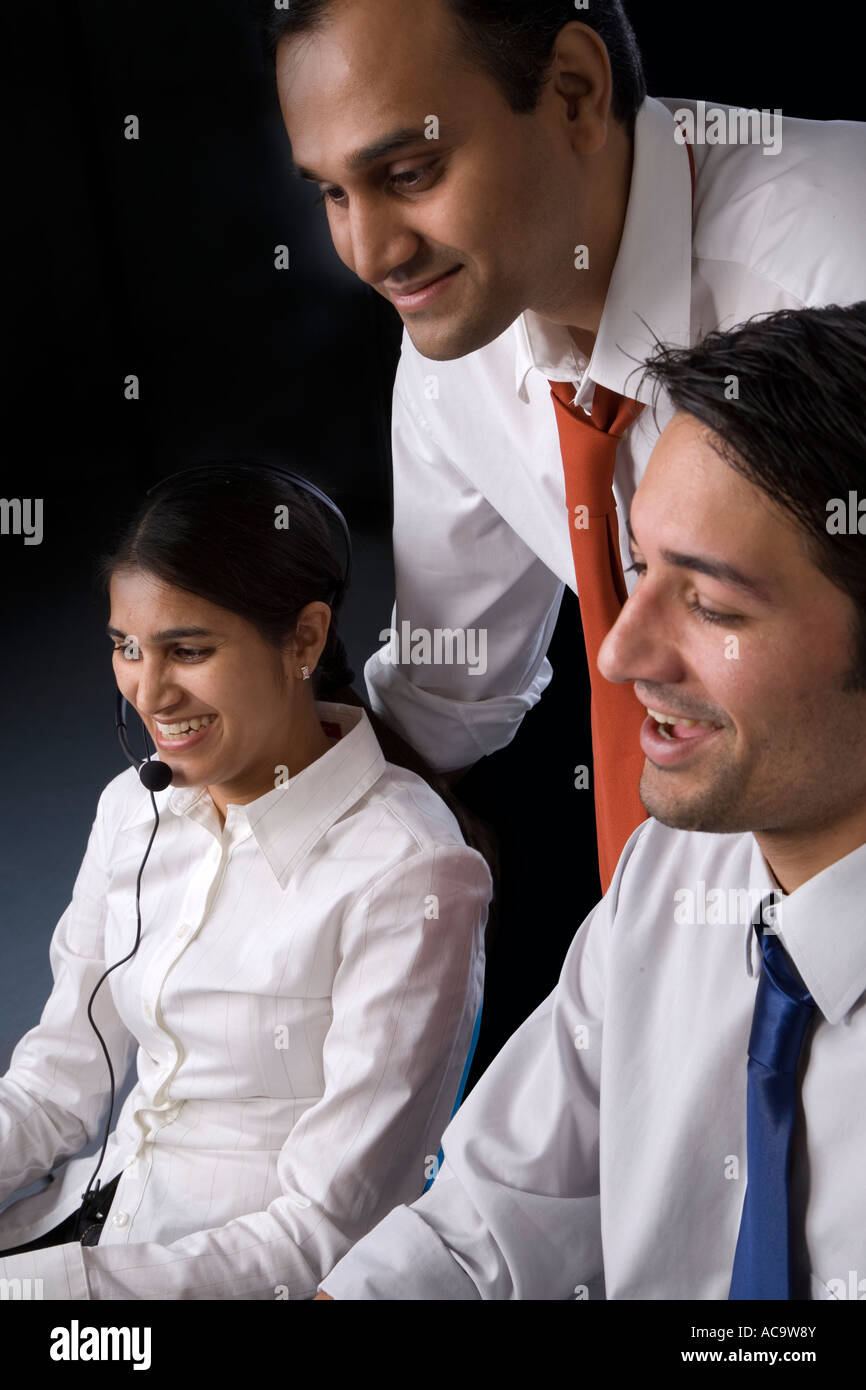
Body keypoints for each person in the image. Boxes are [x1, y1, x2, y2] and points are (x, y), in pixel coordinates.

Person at [313, 301, 866, 1299]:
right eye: (639, 566)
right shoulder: (674, 869)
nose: (615, 653)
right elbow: (482, 1230)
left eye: (710, 605)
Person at [263, 0, 866, 900]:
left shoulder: (839, 275)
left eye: (411, 171)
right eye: (334, 193)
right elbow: (444, 694)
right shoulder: (459, 338)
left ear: (576, 93)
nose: (370, 251)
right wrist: (258, 800)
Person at [0, 462, 492, 1300]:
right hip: (87, 1233)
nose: (148, 693)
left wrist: (56, 1293)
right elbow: (55, 1087)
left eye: (187, 650)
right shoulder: (133, 808)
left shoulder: (411, 869)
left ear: (303, 639)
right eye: (127, 647)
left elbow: (326, 1226)